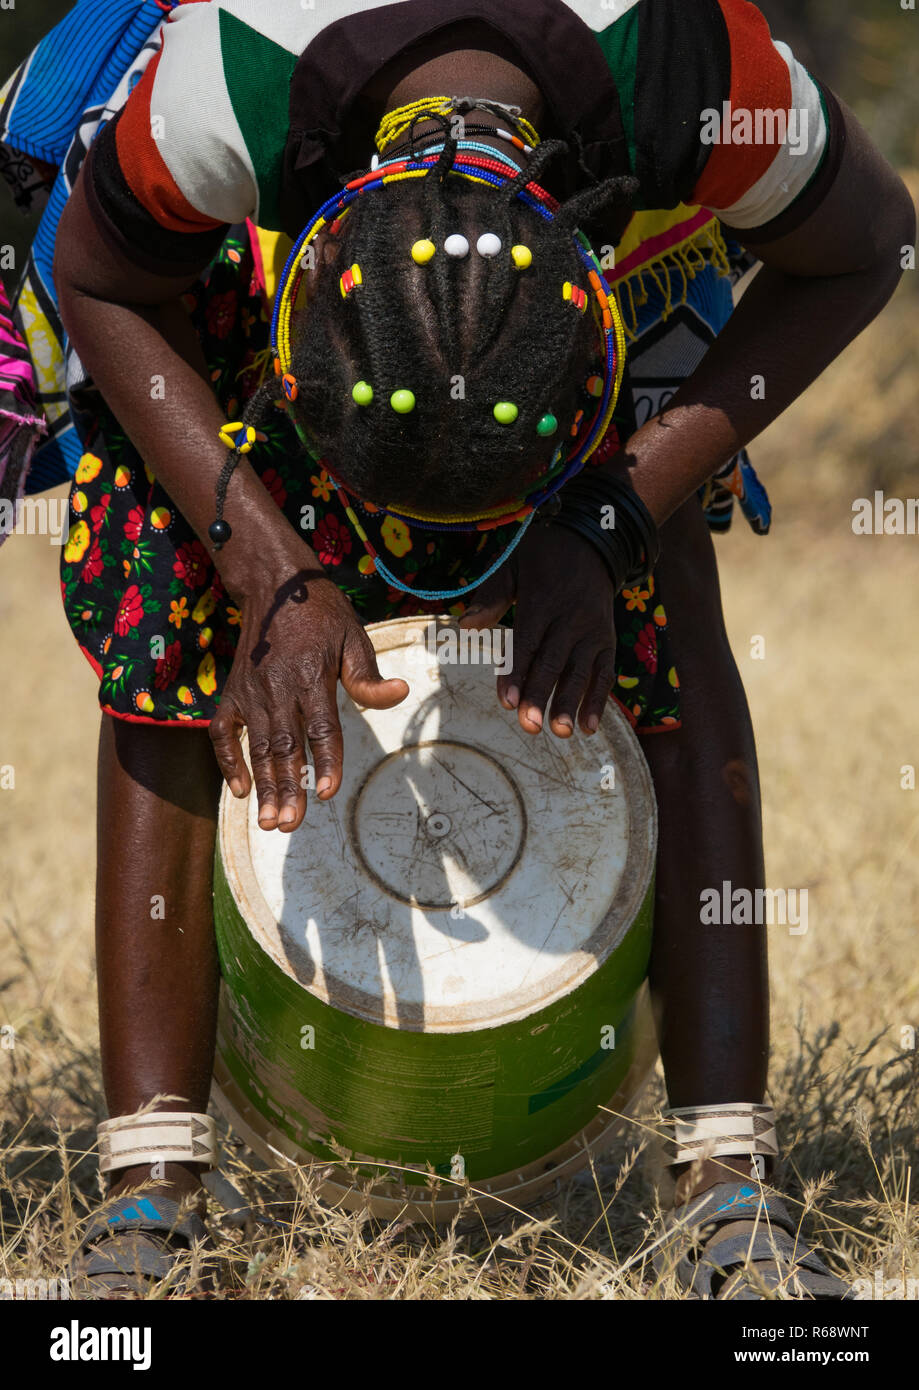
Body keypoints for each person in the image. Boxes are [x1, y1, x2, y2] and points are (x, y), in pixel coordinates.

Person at [3, 0, 912, 1298]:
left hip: (597, 249)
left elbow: (870, 246)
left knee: (670, 573)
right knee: (156, 544)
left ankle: (730, 1184)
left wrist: (606, 519)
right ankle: (152, 1190)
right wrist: (270, 566)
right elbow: (97, 277)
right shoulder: (227, 88)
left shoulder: (696, 71)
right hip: (219, 263)